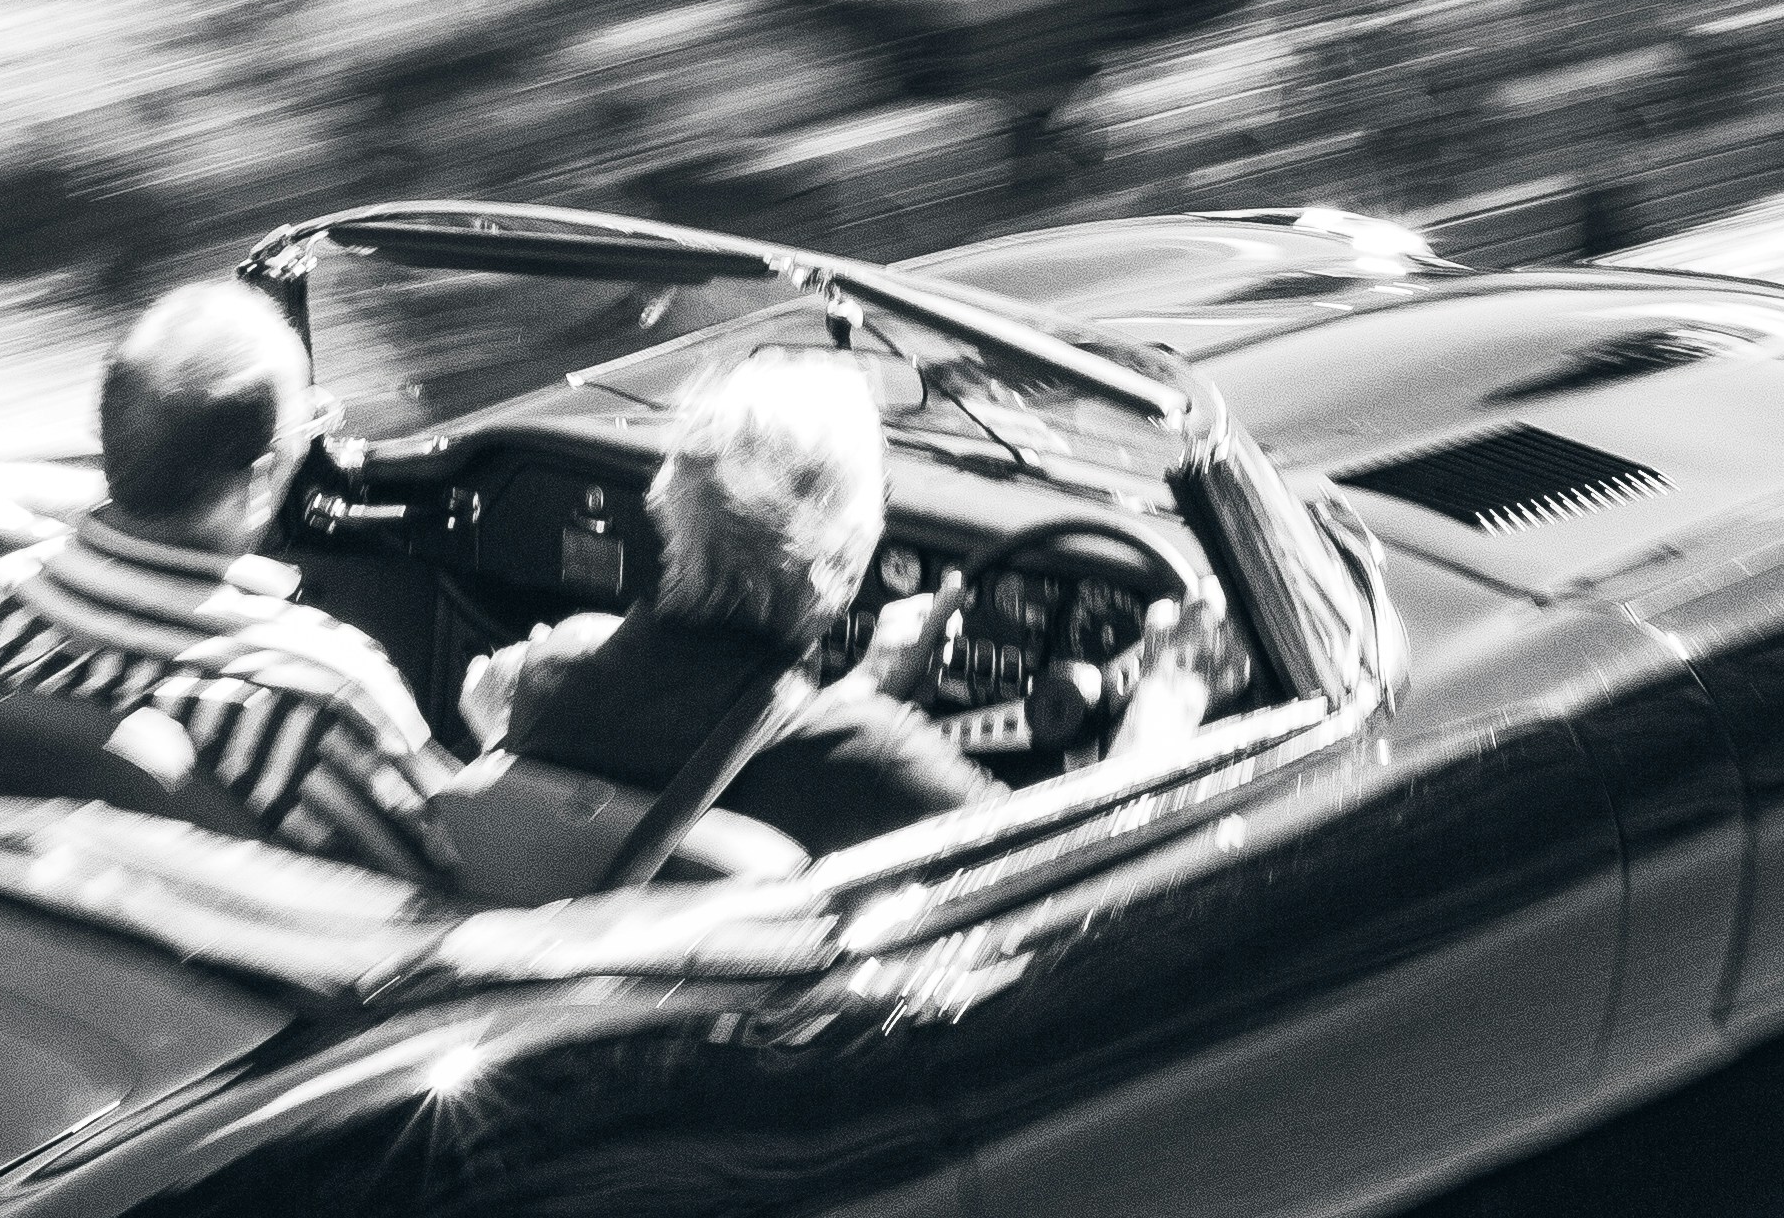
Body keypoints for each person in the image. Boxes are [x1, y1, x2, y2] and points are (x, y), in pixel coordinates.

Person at [461, 350, 1230, 857]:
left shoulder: (555, 671)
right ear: (846, 548)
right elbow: (1085, 863)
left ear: (670, 507)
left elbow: (492, 695)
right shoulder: (874, 763)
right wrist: (1171, 685)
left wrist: (869, 682)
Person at [0, 281, 458, 879]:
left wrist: (141, 473)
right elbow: (456, 884)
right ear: (264, 474)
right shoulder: (322, 694)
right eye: (311, 422)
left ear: (105, 438)